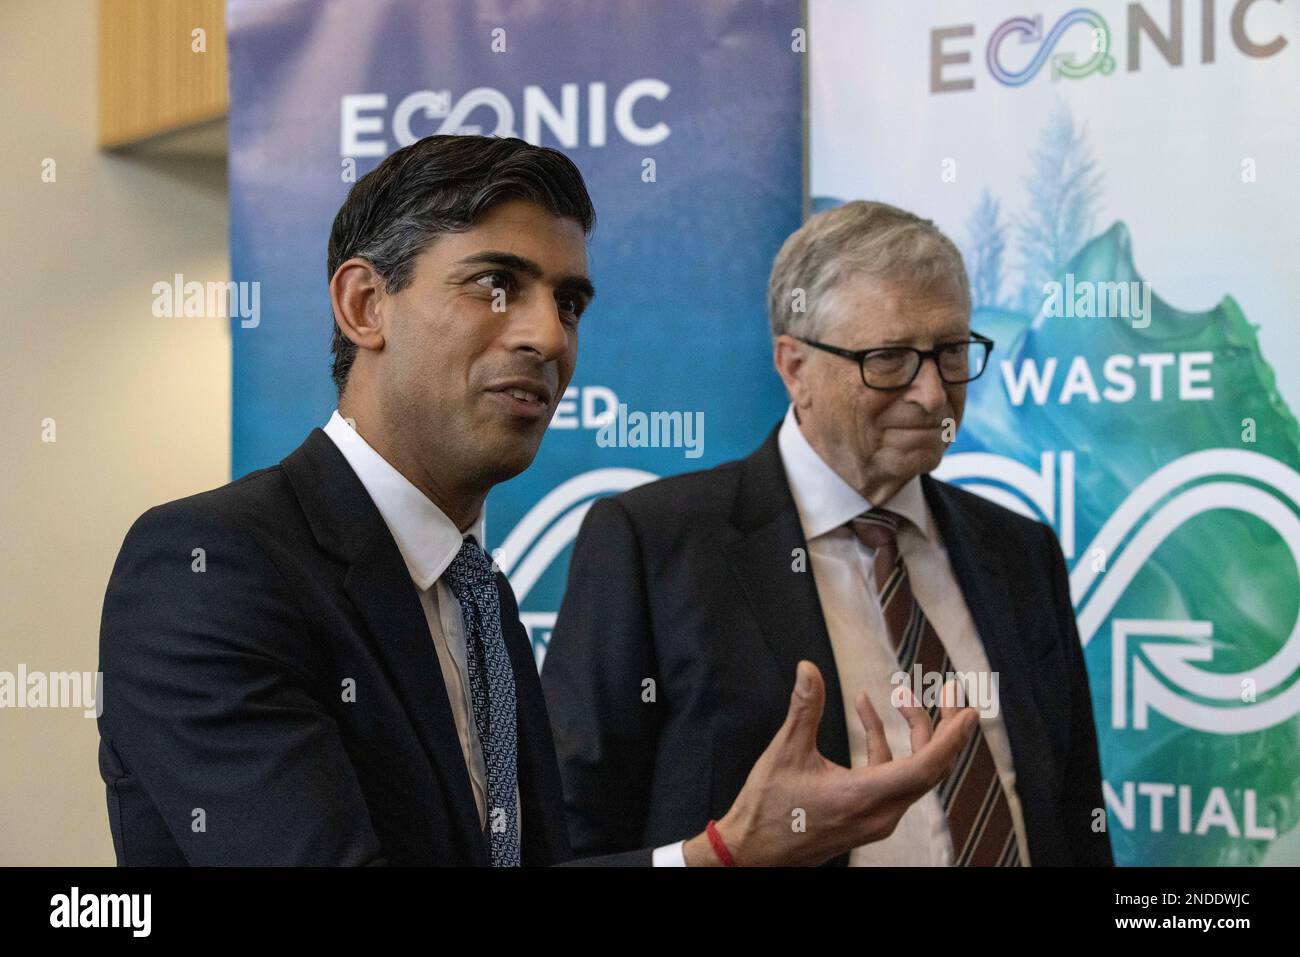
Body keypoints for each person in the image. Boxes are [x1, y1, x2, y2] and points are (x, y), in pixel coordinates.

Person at [97, 139, 977, 866]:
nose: (548, 336)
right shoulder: (207, 567)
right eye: (495, 286)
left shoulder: (476, 593)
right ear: (366, 305)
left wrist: (726, 848)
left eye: (569, 301)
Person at [543, 200, 1114, 866]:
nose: (933, 395)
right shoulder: (652, 543)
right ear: (794, 367)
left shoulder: (1020, 551)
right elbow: (567, 841)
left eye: (951, 352)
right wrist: (725, 853)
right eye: (890, 358)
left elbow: (1076, 818)